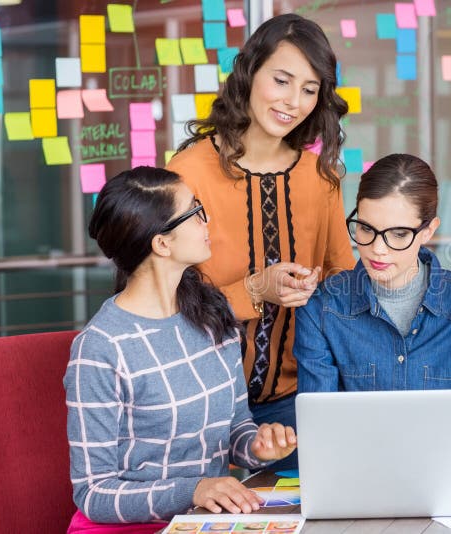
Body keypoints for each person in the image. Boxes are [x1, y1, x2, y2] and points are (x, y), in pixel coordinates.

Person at [166, 13, 356, 464]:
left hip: (293, 404)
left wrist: (319, 290)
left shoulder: (322, 178)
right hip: (199, 405)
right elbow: (162, 300)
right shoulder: (186, 173)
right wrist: (254, 289)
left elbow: (343, 279)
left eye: (309, 89)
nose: (293, 101)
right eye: (282, 80)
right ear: (250, 73)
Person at [64, 167, 297, 530]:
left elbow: (235, 426)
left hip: (203, 521)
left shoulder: (212, 314)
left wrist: (256, 447)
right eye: (194, 211)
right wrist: (194, 490)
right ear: (162, 244)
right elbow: (93, 494)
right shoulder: (100, 348)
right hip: (132, 526)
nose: (207, 220)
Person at [293, 154, 451, 470]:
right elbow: (318, 430)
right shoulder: (321, 309)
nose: (377, 249)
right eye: (365, 229)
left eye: (398, 234)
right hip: (358, 477)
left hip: (448, 478)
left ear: (429, 230)